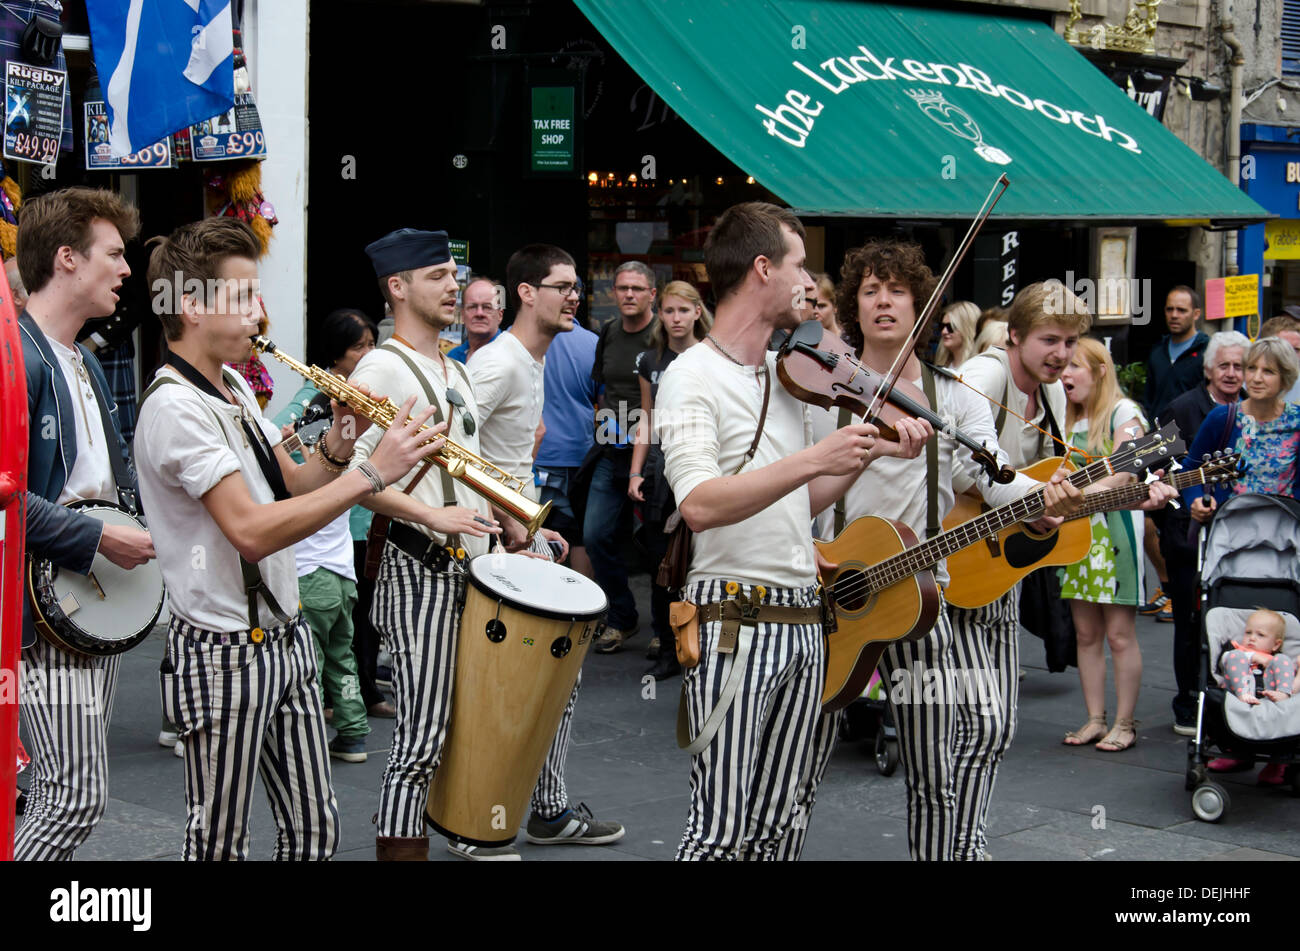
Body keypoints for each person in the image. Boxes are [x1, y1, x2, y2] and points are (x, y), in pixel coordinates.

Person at [134, 217, 443, 860]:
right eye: (245, 298)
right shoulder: (174, 408)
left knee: (314, 831)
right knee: (219, 840)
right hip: (223, 653)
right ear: (191, 306)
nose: (260, 314)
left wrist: (339, 442)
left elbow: (297, 483)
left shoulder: (238, 385)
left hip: (287, 633)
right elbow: (250, 531)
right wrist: (369, 473)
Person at [804, 240, 1079, 862]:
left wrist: (1050, 493)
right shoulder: (826, 389)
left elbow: (995, 473)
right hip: (836, 596)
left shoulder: (952, 393)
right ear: (854, 303)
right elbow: (798, 487)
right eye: (870, 290)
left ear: (918, 305)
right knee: (804, 763)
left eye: (896, 291)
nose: (882, 302)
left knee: (935, 776)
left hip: (923, 600)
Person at [654, 201, 907, 861]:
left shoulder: (786, 374)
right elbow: (701, 503)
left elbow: (798, 499)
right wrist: (814, 458)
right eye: (799, 265)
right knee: (719, 830)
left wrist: (864, 454)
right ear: (762, 268)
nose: (810, 284)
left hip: (803, 615)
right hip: (734, 613)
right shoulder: (689, 375)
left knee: (782, 826)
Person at [346, 228, 511, 862]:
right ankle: (400, 851)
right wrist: (433, 517)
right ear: (398, 287)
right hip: (418, 568)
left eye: (455, 274)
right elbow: (357, 482)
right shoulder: (382, 366)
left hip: (470, 566)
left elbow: (467, 469)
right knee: (422, 735)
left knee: (461, 724)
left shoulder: (455, 368)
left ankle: (459, 831)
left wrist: (513, 522)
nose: (455, 286)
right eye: (438, 275)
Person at [467, 242, 624, 855]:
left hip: (514, 543)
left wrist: (529, 523)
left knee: (554, 674)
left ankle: (542, 808)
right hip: (486, 552)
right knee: (514, 684)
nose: (574, 296)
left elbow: (497, 457)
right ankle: (483, 816)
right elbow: (446, 452)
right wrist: (508, 523)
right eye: (562, 286)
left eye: (577, 286)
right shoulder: (500, 363)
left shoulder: (530, 361)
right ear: (526, 293)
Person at [15, 187, 156, 861]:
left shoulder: (84, 357)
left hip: (84, 608)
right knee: (73, 796)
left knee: (62, 794)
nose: (127, 269)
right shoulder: (16, 354)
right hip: (41, 616)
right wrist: (99, 536)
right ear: (67, 258)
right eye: (115, 254)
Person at [272, 307, 384, 764]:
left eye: (371, 344)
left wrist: (283, 447)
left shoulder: (318, 480)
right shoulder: (316, 405)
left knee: (311, 659)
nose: (369, 354)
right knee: (344, 653)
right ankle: (353, 729)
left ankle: (310, 732)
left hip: (312, 575)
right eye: (360, 346)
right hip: (342, 576)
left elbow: (293, 477)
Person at [1186, 336, 1300, 779]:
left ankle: (1283, 748)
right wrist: (1198, 499)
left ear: (1285, 379)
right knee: (1226, 638)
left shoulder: (1297, 423)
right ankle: (1237, 739)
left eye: (1266, 371)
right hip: (1230, 539)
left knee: (1285, 643)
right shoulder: (1226, 417)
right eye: (1251, 368)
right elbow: (1193, 466)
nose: (1253, 377)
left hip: (1286, 542)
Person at [1058, 338, 1151, 753]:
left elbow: (1129, 470)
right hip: (1077, 535)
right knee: (1085, 632)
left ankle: (1125, 722)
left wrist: (1081, 491)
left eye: (1074, 366)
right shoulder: (1069, 417)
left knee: (1118, 635)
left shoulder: (1124, 411)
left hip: (1115, 530)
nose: (1065, 374)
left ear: (1099, 371)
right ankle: (1095, 718)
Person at [1162, 330, 1248, 735]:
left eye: (1239, 366)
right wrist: (1188, 499)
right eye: (1224, 365)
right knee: (1189, 621)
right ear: (1209, 369)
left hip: (1240, 538)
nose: (1231, 374)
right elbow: (1153, 466)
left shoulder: (1253, 413)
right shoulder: (1183, 407)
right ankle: (1187, 702)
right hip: (1187, 533)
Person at [628, 279, 711, 679]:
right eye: (668, 310)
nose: (676, 318)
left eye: (683, 310)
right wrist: (635, 471)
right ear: (659, 315)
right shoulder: (650, 361)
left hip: (707, 460)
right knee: (664, 563)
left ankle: (704, 644)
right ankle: (668, 645)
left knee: (705, 557)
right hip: (662, 466)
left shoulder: (714, 356)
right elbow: (647, 417)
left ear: (698, 311)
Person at [590, 260, 658, 653]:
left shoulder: (661, 333)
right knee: (595, 535)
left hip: (651, 452)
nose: (628, 295)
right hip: (610, 447)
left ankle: (666, 629)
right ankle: (622, 618)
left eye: (636, 288)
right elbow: (601, 387)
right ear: (613, 293)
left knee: (653, 543)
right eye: (621, 288)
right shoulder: (609, 331)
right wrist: (605, 420)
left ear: (652, 293)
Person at [535, 315, 599, 579]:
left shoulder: (522, 340)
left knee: (530, 532)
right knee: (578, 535)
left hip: (533, 454)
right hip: (578, 453)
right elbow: (604, 403)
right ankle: (582, 604)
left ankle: (535, 604)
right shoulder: (593, 343)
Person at [1219, 610, 1294, 705]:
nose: (1252, 638)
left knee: (1284, 660)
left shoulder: (1275, 660)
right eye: (1248, 632)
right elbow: (1223, 662)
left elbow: (1288, 677)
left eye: (1260, 635)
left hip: (1269, 693)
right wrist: (1252, 656)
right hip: (1238, 690)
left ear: (1275, 644)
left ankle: (1283, 694)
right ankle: (1244, 694)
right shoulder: (1235, 648)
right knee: (1235, 656)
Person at [447, 275, 503, 363]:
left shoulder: (511, 356)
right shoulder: (452, 358)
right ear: (462, 315)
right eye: (472, 307)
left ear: (500, 315)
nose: (479, 313)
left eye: (487, 307)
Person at [1260, 314, 1300, 404]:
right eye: (1284, 348)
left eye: (1297, 349)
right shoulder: (1245, 384)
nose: (1292, 355)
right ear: (1264, 347)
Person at [934, 300, 979, 368]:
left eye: (951, 327)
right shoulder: (942, 364)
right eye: (942, 326)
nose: (944, 331)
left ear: (967, 329)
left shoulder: (978, 366)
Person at [809, 272, 840, 337]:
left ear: (835, 306)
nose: (815, 311)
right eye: (812, 306)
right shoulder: (803, 342)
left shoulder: (850, 342)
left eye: (821, 306)